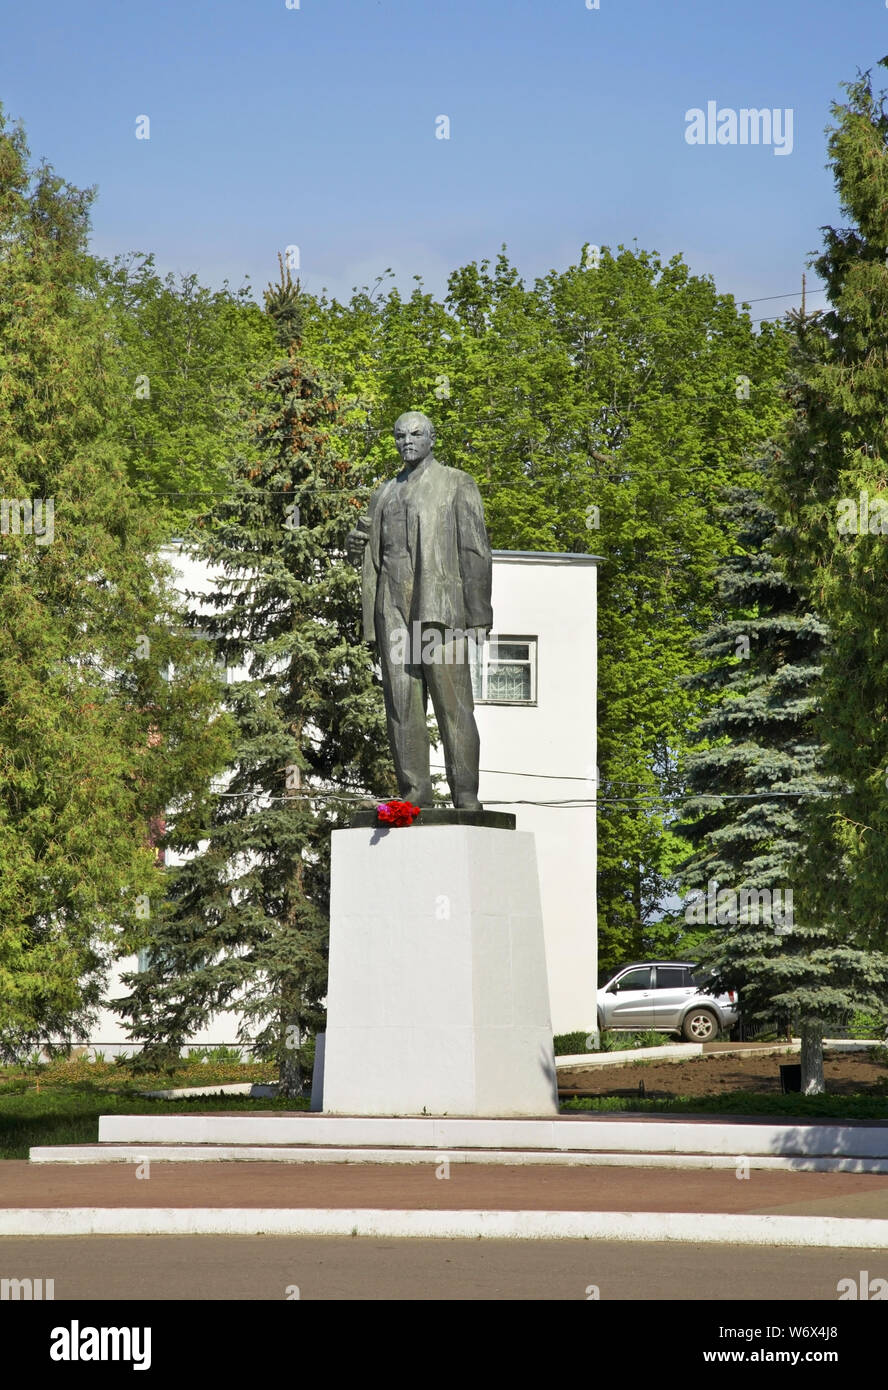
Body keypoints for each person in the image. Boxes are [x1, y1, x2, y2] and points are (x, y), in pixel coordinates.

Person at [346, 411, 492, 809]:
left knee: (453, 706)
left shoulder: (456, 483)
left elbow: (475, 549)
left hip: (439, 611)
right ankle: (415, 797)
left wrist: (479, 613)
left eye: (415, 434)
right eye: (399, 435)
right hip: (392, 609)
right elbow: (369, 551)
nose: (406, 441)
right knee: (402, 706)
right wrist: (353, 545)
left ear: (431, 439)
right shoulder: (384, 492)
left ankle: (466, 796)